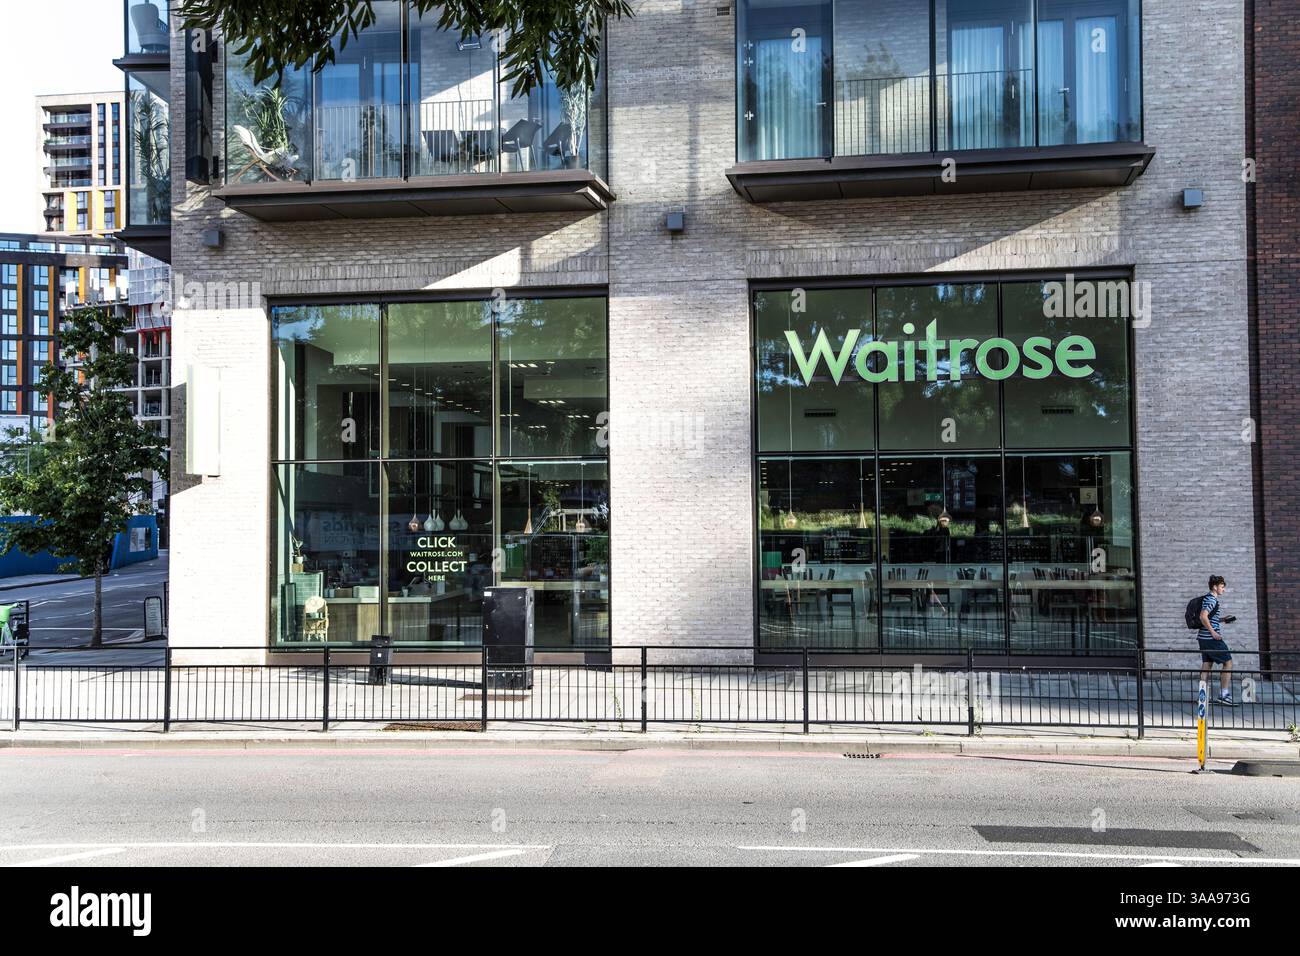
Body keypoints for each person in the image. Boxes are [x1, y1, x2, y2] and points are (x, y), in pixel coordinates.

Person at [1198, 575, 1236, 706]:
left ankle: (1202, 697)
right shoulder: (1212, 600)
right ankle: (1224, 694)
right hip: (1211, 639)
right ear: (1215, 587)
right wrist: (1213, 632)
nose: (1223, 589)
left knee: (1206, 666)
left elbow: (1208, 617)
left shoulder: (1207, 598)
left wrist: (1222, 620)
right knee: (1228, 662)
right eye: (1222, 586)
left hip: (1203, 638)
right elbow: (1203, 616)